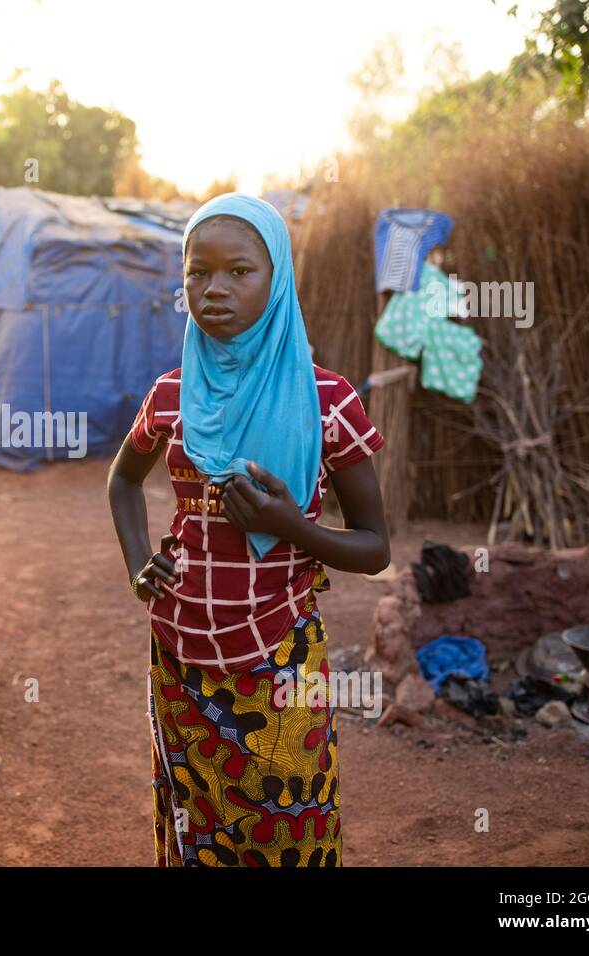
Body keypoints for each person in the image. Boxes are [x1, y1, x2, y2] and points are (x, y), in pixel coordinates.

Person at [107, 193, 391, 867]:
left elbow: (375, 547)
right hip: (178, 656)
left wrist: (292, 525)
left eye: (239, 271)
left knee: (289, 823)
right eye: (197, 273)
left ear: (278, 277)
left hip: (281, 657)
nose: (214, 290)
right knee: (194, 825)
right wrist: (139, 565)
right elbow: (122, 482)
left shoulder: (327, 401)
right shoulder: (171, 395)